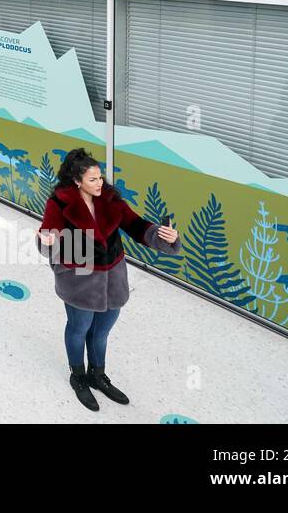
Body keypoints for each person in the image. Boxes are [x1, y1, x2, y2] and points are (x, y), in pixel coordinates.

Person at [37, 148, 181, 412]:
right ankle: (78, 376)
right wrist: (47, 241)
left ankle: (97, 374)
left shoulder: (111, 199)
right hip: (78, 280)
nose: (100, 183)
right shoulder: (58, 203)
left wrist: (163, 238)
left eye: (100, 177)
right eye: (93, 179)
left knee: (101, 331)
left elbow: (137, 226)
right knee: (79, 328)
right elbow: (50, 238)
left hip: (112, 279)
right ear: (77, 181)